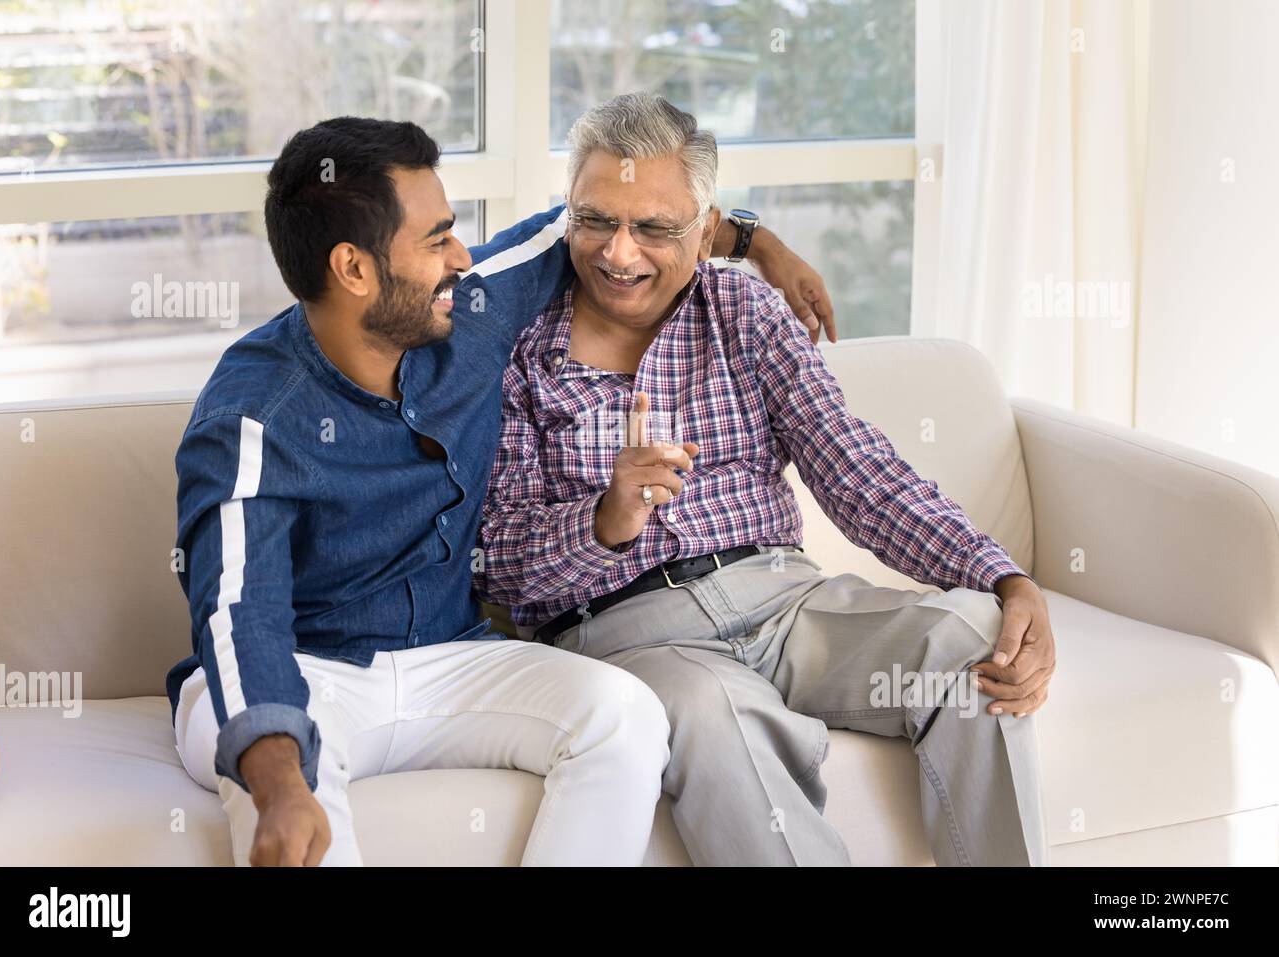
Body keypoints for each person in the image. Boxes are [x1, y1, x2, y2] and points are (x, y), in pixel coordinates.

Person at [167, 115, 832, 866]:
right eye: (436, 238)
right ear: (354, 269)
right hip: (309, 673)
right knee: (294, 785)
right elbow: (235, 612)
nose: (462, 256)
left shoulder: (470, 308)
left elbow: (601, 223)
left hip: (452, 657)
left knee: (625, 715)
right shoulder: (250, 412)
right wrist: (280, 781)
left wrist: (755, 241)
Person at [477, 93, 1055, 866]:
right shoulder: (519, 350)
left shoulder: (743, 310)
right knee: (716, 714)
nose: (618, 252)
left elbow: (855, 469)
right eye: (594, 220)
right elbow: (497, 558)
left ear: (706, 228)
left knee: (970, 640)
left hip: (786, 601)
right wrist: (604, 518)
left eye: (652, 227)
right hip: (632, 636)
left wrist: (1003, 576)